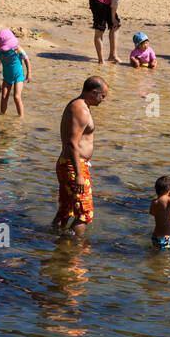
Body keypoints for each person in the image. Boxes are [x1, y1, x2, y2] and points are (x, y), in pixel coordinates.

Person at [54, 76, 107, 236]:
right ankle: (74, 251)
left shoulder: (78, 105)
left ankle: (54, 241)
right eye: (103, 96)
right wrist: (79, 174)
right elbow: (72, 143)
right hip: (74, 165)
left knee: (66, 210)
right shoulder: (80, 109)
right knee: (84, 214)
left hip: (67, 163)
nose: (103, 100)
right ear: (93, 92)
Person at [88, 0, 152, 63]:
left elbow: (113, 0)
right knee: (100, 30)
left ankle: (113, 56)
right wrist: (113, 18)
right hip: (98, 0)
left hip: (107, 0)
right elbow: (115, 2)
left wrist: (114, 20)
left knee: (115, 26)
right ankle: (101, 61)